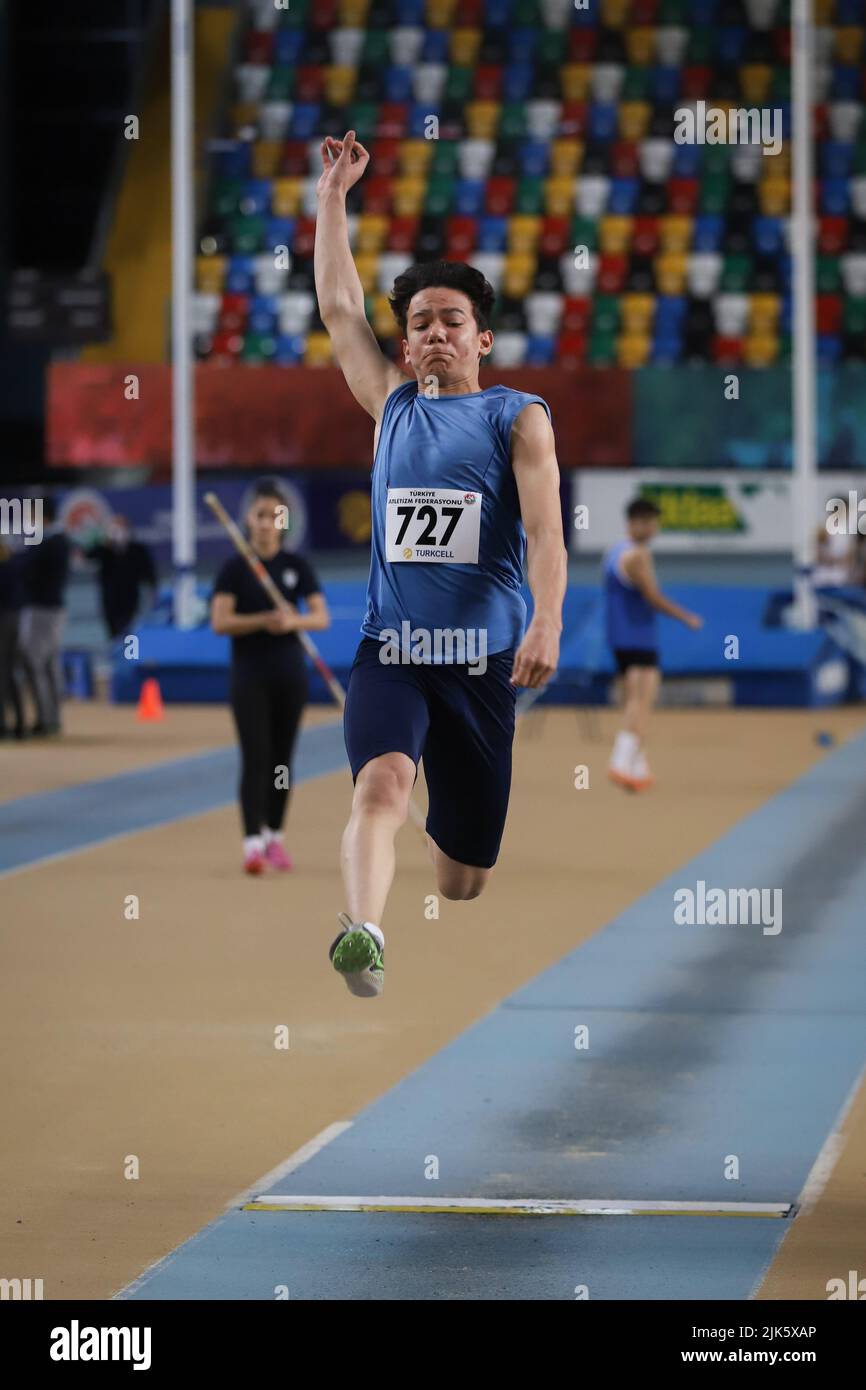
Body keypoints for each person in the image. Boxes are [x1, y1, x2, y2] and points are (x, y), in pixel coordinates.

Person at [314, 131, 567, 999]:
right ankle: (366, 933)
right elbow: (341, 309)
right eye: (418, 323)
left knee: (462, 878)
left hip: (479, 666)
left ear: (482, 338)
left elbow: (544, 533)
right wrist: (333, 197)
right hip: (391, 654)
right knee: (380, 787)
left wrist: (547, 618)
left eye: (449, 322)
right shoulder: (388, 408)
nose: (430, 335)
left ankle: (431, 821)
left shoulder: (516, 419)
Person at [210, 478, 330, 875]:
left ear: (284, 521)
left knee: (282, 760)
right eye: (260, 515)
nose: (266, 523)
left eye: (274, 516)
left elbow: (321, 616)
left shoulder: (296, 567)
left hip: (289, 676)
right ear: (249, 519)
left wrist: (291, 620)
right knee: (256, 756)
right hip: (249, 676)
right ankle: (252, 844)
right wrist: (263, 620)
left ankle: (275, 835)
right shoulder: (235, 569)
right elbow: (220, 621)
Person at [604, 498, 703, 793]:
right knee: (641, 702)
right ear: (634, 523)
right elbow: (653, 597)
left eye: (654, 523)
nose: (652, 528)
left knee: (632, 700)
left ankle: (638, 766)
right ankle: (620, 761)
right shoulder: (638, 556)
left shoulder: (613, 552)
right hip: (640, 638)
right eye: (648, 522)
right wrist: (687, 617)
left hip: (620, 638)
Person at [17, 495, 70, 736]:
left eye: (31, 514)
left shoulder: (51, 542)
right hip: (49, 607)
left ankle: (47, 718)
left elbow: (26, 568)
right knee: (47, 663)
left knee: (36, 663)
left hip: (43, 608)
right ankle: (51, 717)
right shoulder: (55, 541)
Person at [81, 514, 157, 639]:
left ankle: (130, 655)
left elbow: (148, 571)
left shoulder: (138, 549)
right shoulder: (105, 549)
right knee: (114, 632)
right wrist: (103, 542)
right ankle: (117, 653)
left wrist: (153, 588)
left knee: (129, 629)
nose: (117, 531)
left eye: (120, 527)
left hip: (130, 597)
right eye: (114, 527)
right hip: (110, 598)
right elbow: (89, 554)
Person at [0, 540, 26, 739]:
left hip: (5, 621)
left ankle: (6, 726)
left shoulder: (8, 568)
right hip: (15, 619)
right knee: (10, 672)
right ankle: (19, 725)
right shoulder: (15, 565)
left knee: (5, 673)